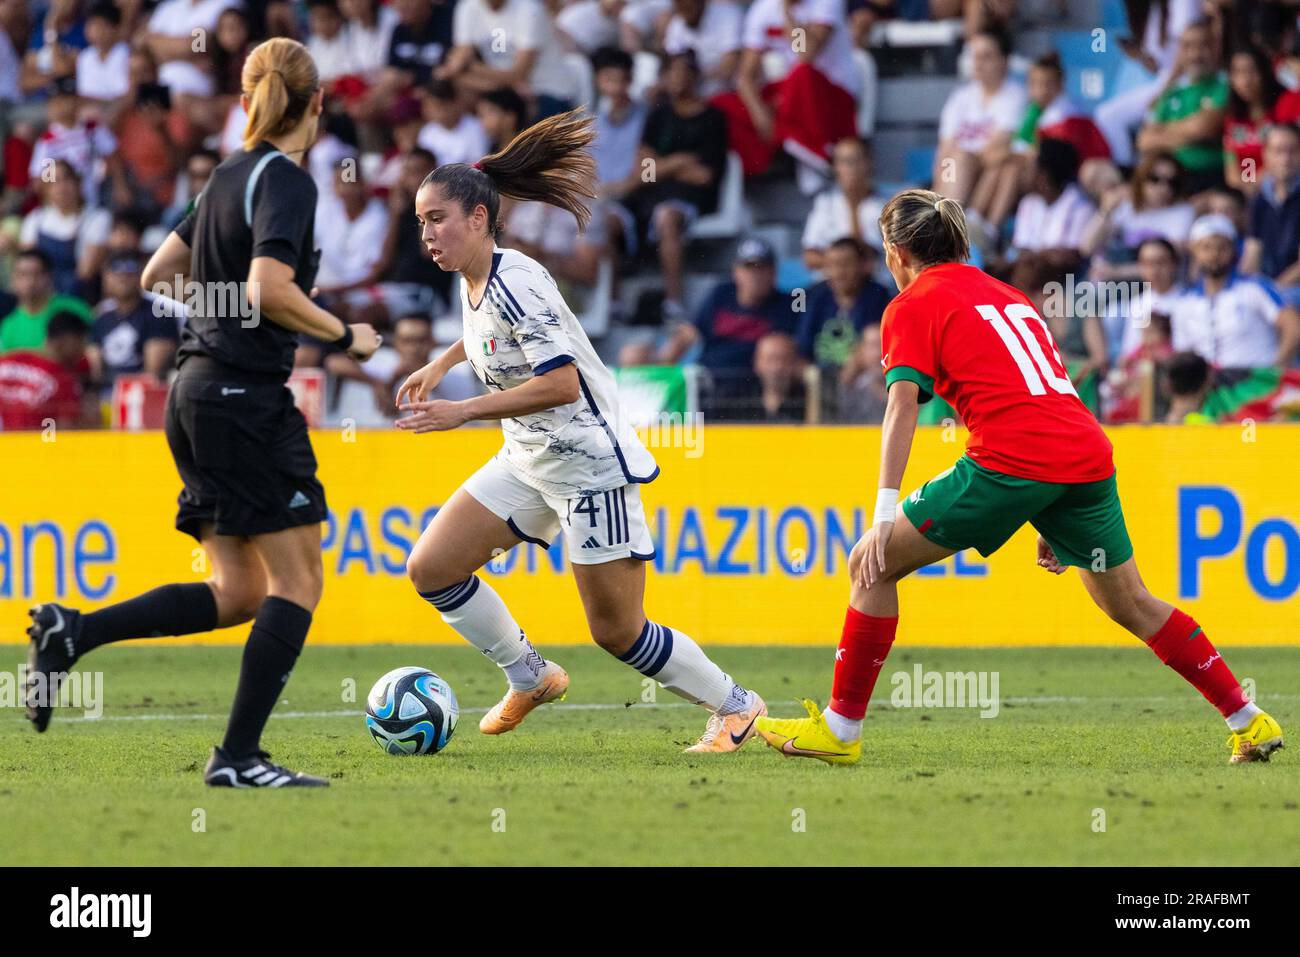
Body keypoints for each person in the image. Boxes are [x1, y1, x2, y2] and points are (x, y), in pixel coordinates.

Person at [753, 188, 1285, 766]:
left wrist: (884, 513)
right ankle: (1248, 719)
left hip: (1012, 461)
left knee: (870, 562)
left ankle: (840, 730)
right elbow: (1042, 388)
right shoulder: (1007, 295)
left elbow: (902, 404)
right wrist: (1050, 507)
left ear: (898, 253)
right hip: (1079, 455)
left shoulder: (910, 305)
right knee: (1133, 602)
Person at [22, 38, 382, 788]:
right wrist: (348, 335)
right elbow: (270, 289)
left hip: (191, 391)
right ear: (316, 104)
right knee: (299, 582)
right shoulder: (287, 179)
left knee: (239, 591)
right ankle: (239, 757)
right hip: (243, 398)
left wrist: (224, 319)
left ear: (246, 103)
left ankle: (73, 630)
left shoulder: (224, 177)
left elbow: (158, 275)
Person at [396, 110, 767, 752]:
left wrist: (461, 412)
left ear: (478, 219)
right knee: (431, 567)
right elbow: (491, 336)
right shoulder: (477, 276)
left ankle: (736, 706)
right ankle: (530, 676)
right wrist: (443, 361)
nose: (426, 233)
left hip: (588, 466)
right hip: (530, 457)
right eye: (420, 220)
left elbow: (561, 383)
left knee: (617, 631)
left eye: (437, 219)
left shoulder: (516, 282)